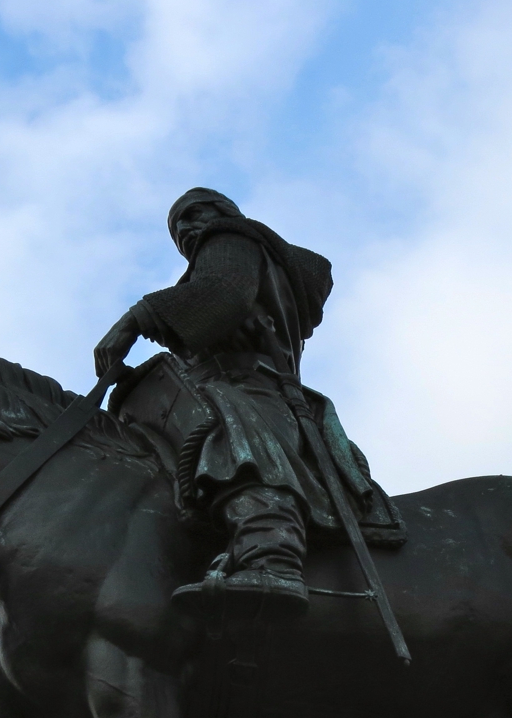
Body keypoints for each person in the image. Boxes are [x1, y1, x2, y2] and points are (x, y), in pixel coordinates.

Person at [94, 188, 395, 615]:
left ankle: (274, 558)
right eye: (177, 225)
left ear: (224, 213)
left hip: (249, 387)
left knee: (233, 440)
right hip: (231, 382)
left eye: (193, 214)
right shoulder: (243, 254)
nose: (184, 228)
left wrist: (137, 317)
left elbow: (224, 295)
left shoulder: (232, 240)